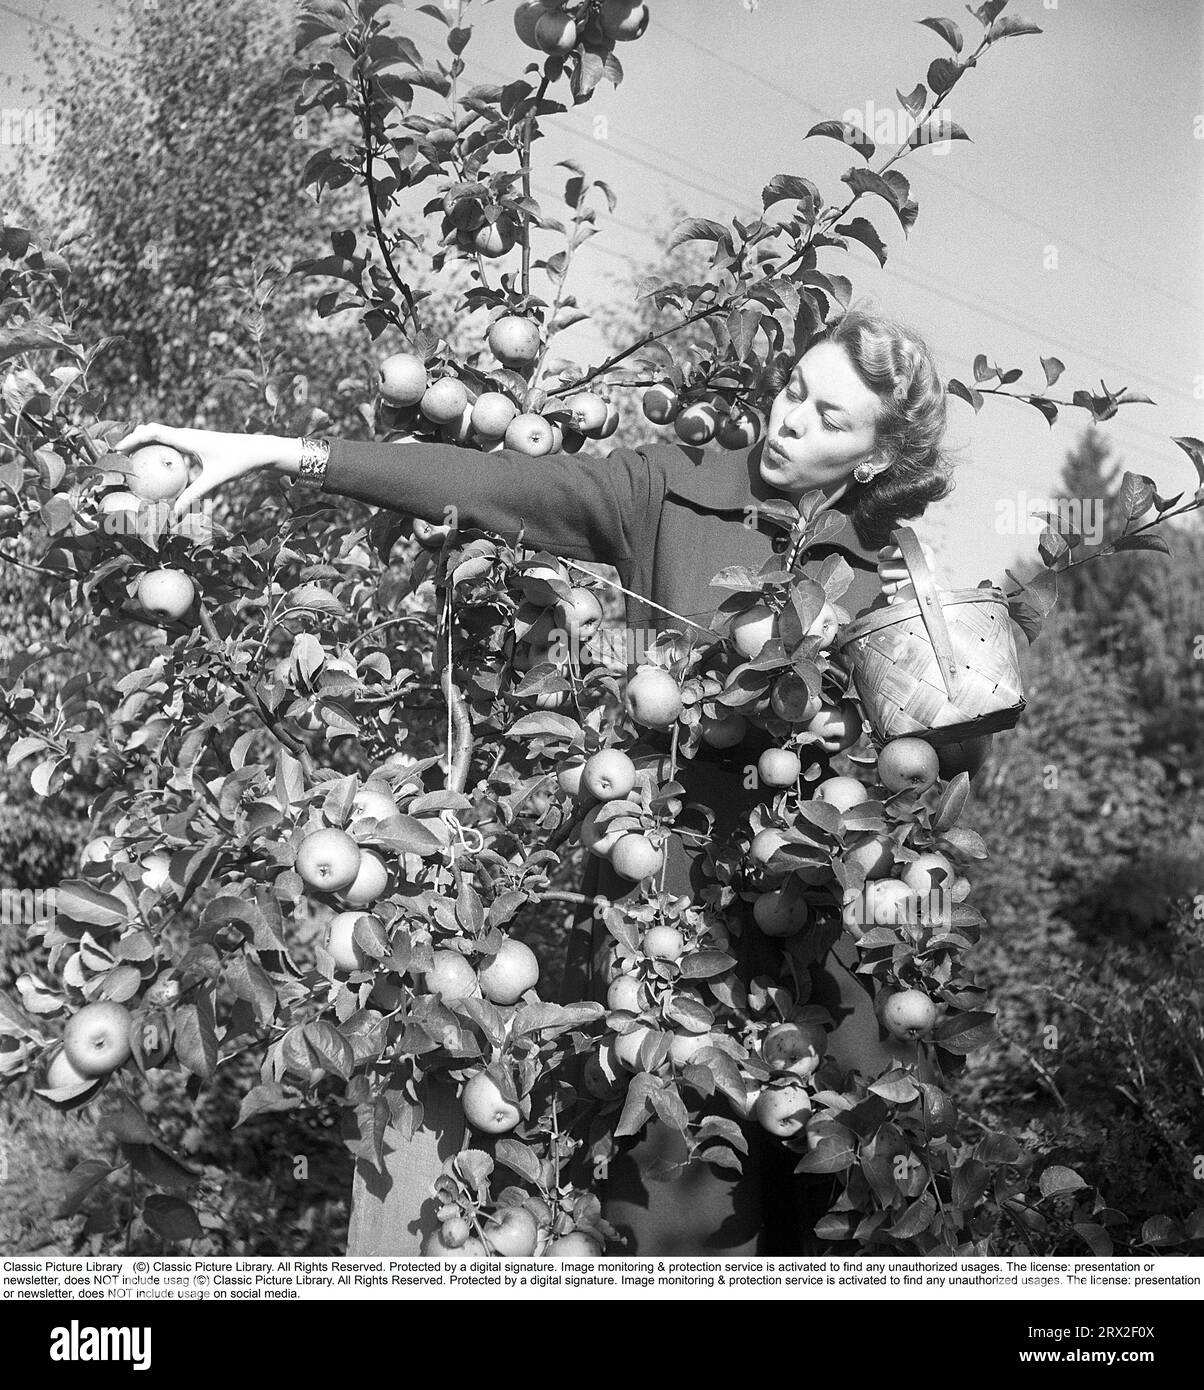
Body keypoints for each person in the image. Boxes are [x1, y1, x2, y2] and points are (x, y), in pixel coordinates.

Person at [117, 301, 991, 1254]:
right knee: (678, 1235)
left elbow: (932, 799)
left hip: (835, 948)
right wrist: (277, 450)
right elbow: (494, 483)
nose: (788, 420)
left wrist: (921, 878)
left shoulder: (897, 579)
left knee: (863, 1218)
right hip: (670, 948)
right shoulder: (673, 487)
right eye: (794, 391)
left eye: (829, 418)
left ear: (872, 459)